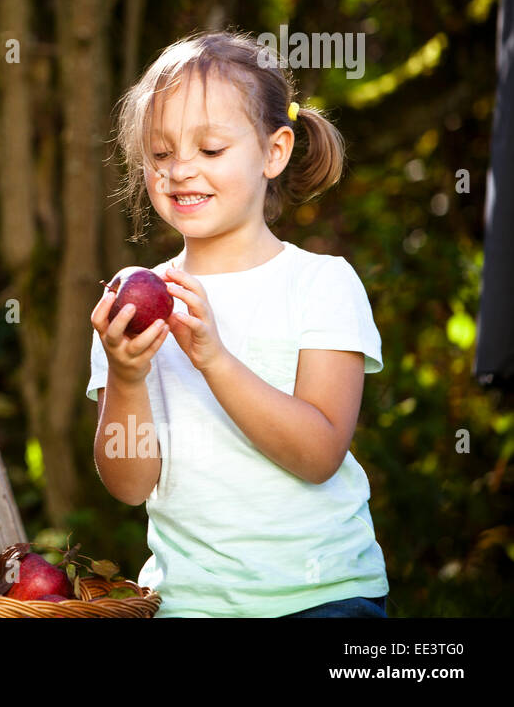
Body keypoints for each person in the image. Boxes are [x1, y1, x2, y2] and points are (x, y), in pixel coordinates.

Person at [87, 31, 389, 618]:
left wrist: (215, 360)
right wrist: (126, 378)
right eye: (161, 152)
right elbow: (129, 485)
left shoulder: (321, 284)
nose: (180, 171)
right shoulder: (128, 305)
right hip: (189, 605)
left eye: (211, 149)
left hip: (323, 598)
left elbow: (319, 453)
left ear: (274, 152)